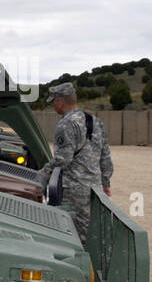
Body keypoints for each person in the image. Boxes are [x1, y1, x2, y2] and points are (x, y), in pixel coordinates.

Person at [39, 82, 113, 243]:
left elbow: (63, 159)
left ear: (60, 101)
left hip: (74, 190)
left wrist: (44, 171)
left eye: (53, 102)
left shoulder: (65, 124)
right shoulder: (94, 121)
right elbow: (105, 158)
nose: (53, 105)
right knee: (92, 229)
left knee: (74, 234)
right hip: (95, 188)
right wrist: (105, 184)